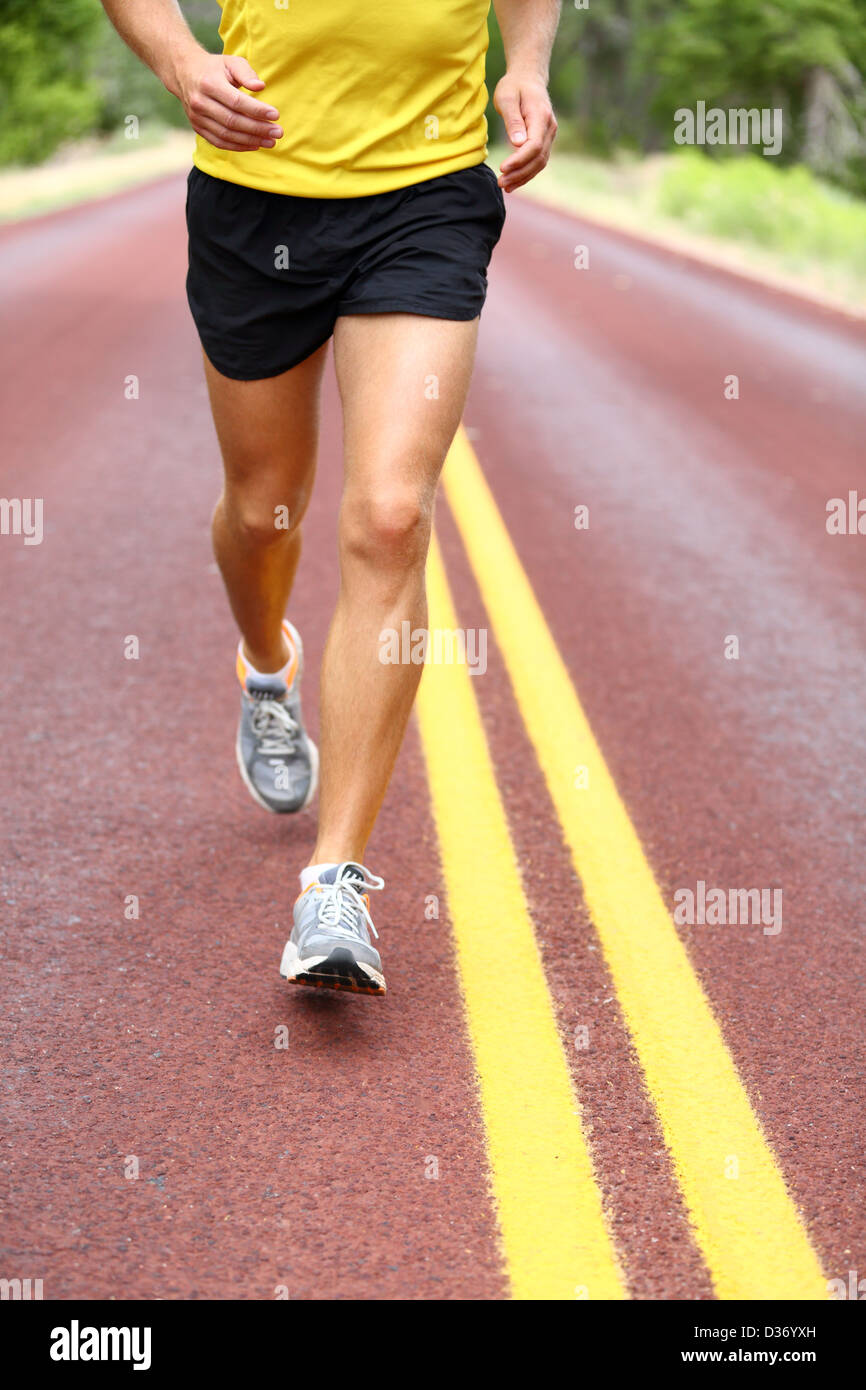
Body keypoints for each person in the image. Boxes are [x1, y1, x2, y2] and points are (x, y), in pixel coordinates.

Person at [101, 0, 559, 995]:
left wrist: (524, 61)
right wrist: (181, 61)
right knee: (264, 509)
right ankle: (268, 665)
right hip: (254, 196)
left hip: (426, 192)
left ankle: (333, 882)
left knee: (392, 515)